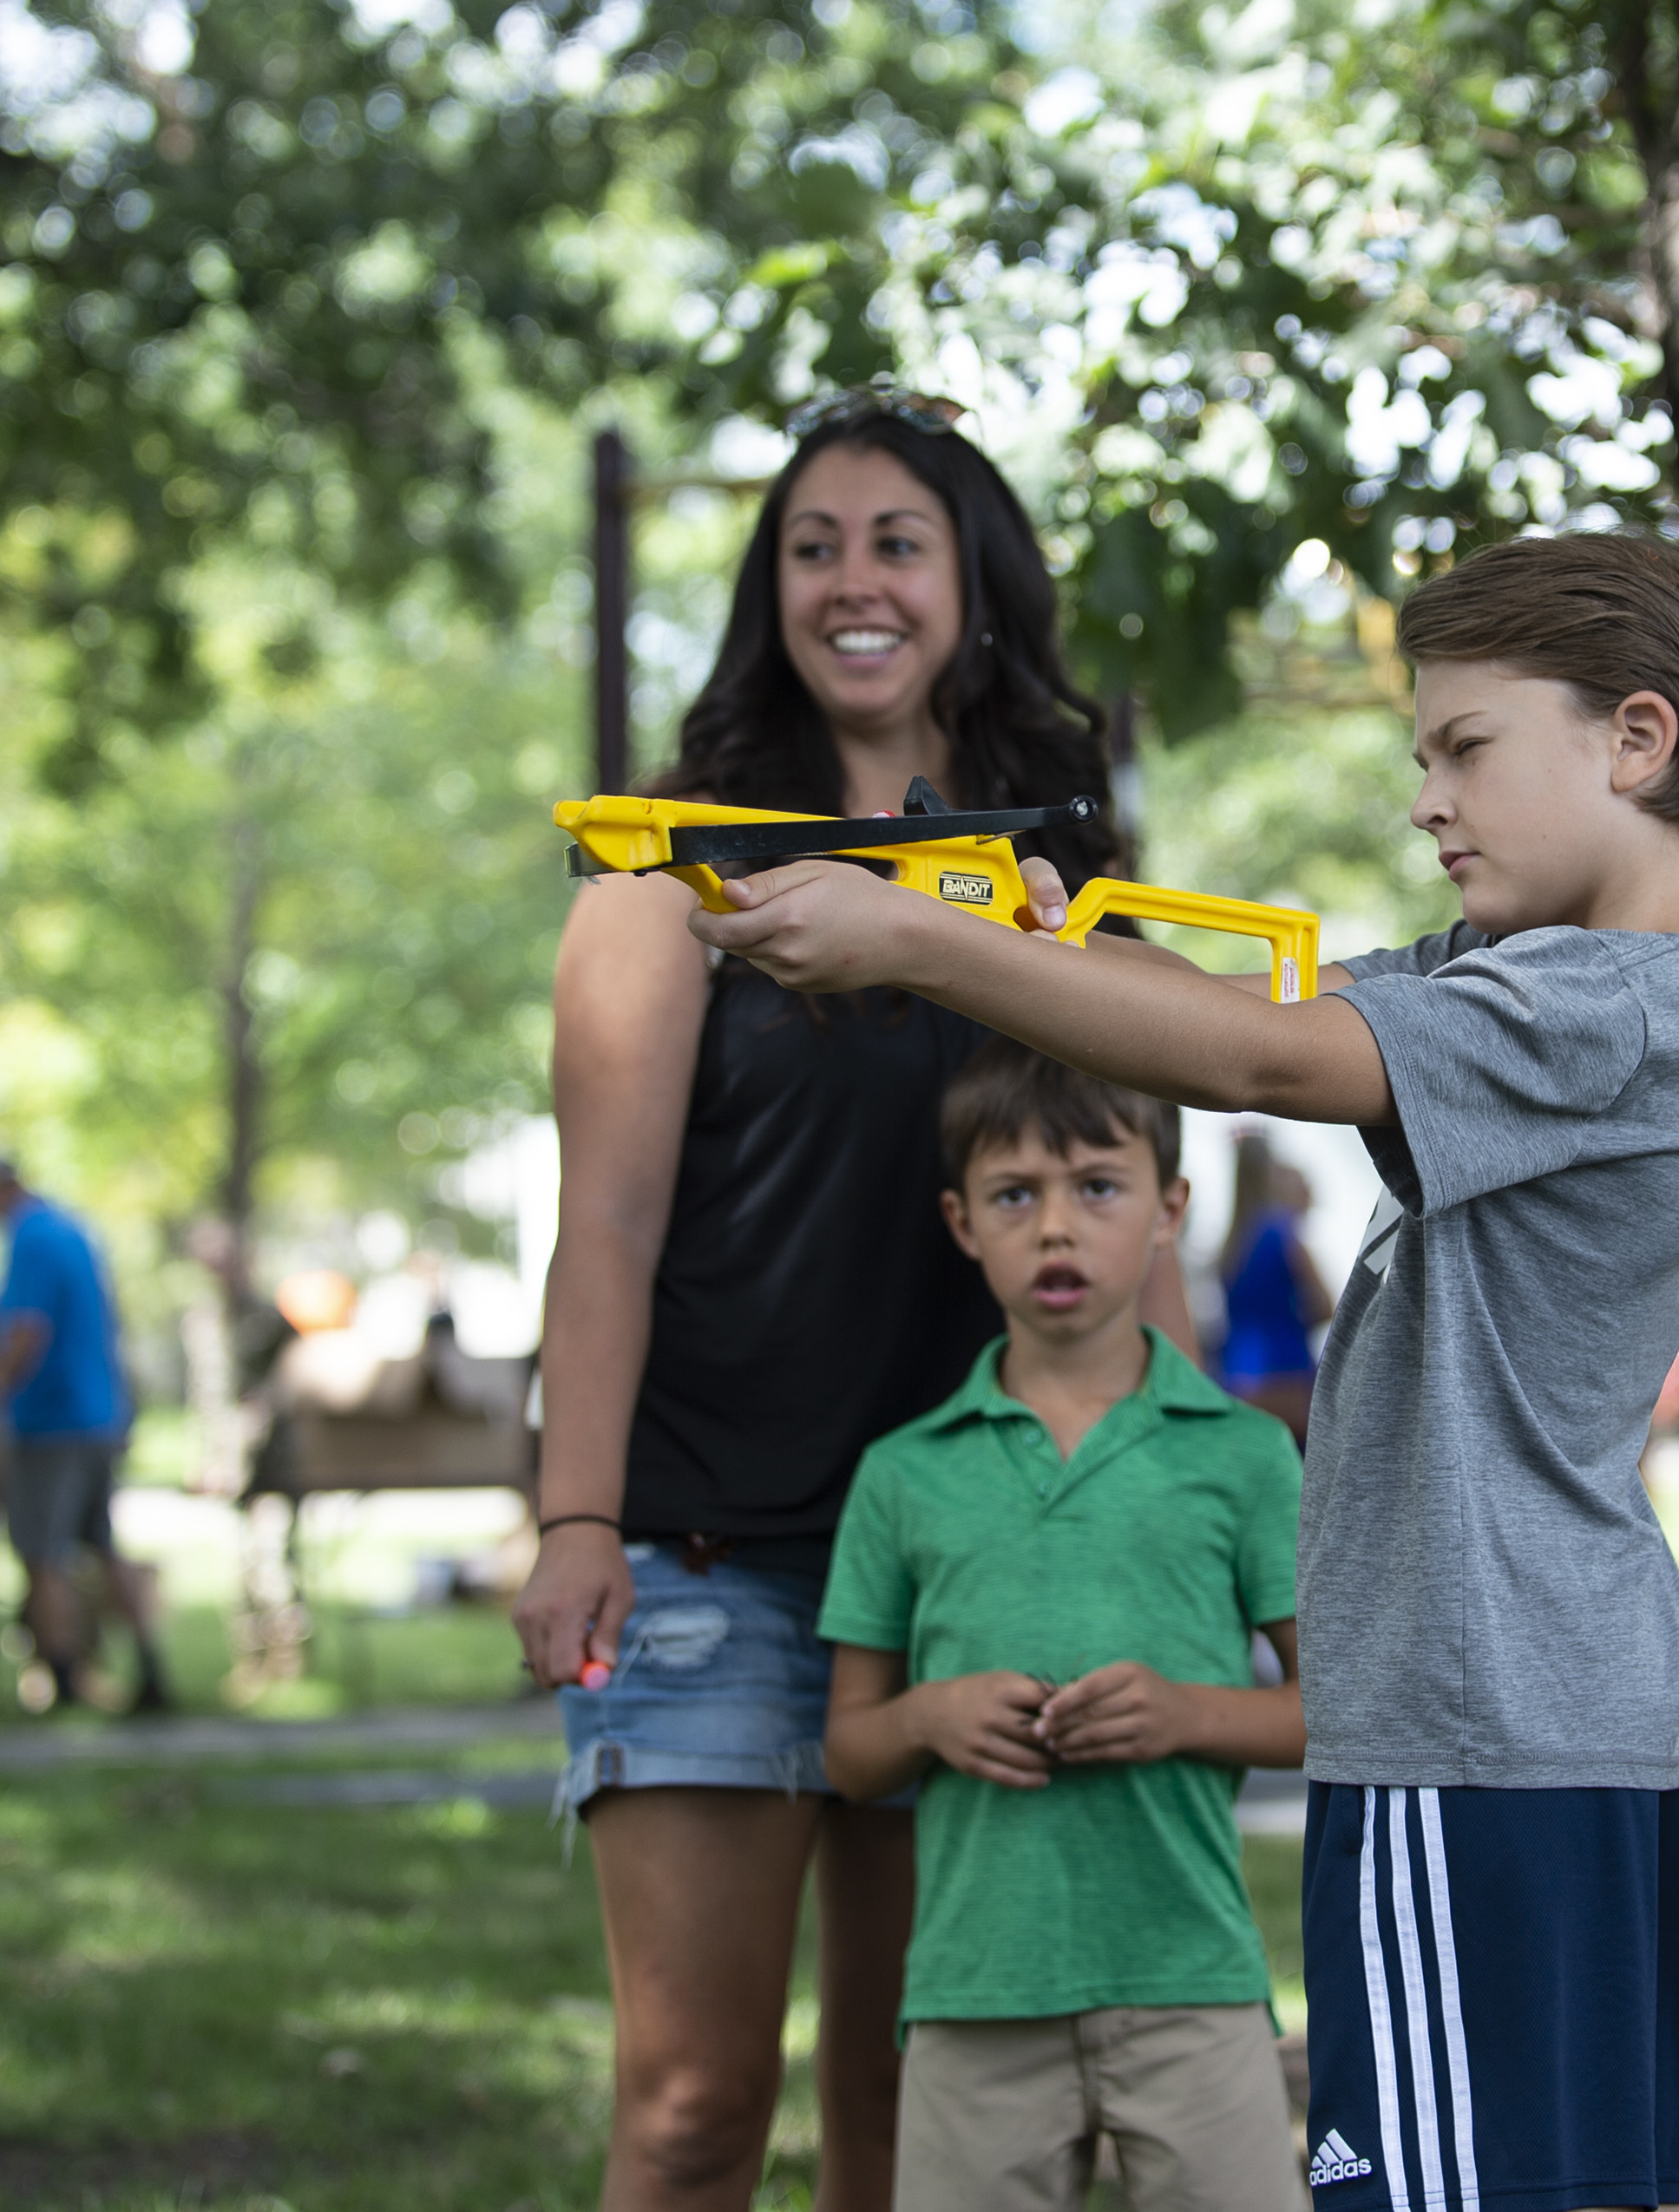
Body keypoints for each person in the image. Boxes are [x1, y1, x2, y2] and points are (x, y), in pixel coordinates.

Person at [687, 531, 1679, 2212]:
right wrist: (1039, 942)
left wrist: (917, 950)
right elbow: (1218, 999)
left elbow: (1267, 1053)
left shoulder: (1605, 1007)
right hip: (1569, 1721)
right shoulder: (1579, 990)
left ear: (1637, 742)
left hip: (1474, 1730)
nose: (1428, 800)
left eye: (1463, 750)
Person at [509, 385, 1182, 2212]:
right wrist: (577, 1517)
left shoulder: (1063, 894)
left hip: (968, 1566)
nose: (854, 581)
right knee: (690, 2109)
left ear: (973, 585)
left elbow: (1136, 1235)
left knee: (916, 2122)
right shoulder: (667, 876)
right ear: (770, 593)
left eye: (898, 542)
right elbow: (608, 1233)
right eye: (813, 547)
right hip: (707, 1560)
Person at [819, 1042, 1306, 2212]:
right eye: (1013, 1194)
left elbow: (1333, 1711)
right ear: (960, 1220)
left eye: (1097, 1185)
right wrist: (930, 1715)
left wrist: (1185, 1710)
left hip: (1193, 1980)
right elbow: (848, 1750)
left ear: (1167, 1209)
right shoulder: (903, 1475)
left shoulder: (1245, 1458)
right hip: (976, 1994)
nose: (1055, 1228)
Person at [0, 1158, 171, 1715]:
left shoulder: (29, 1237)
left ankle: (61, 1676)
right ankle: (151, 1665)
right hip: (99, 1413)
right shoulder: (75, 1230)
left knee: (43, 1551)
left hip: (51, 1420)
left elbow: (26, 1331)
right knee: (102, 1542)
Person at [1214, 1132, 1332, 1443]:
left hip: (1236, 1379)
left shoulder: (1231, 1242)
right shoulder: (1282, 1232)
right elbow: (1327, 1306)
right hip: (1287, 1376)